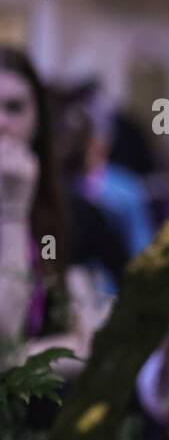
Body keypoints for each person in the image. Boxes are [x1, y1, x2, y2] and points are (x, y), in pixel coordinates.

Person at [0, 46, 115, 378]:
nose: (2, 123)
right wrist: (10, 210)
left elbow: (90, 343)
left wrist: (17, 361)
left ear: (38, 119)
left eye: (15, 108)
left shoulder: (69, 213)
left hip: (43, 419)